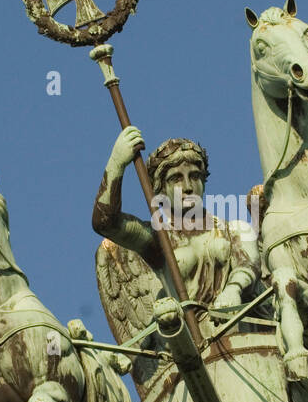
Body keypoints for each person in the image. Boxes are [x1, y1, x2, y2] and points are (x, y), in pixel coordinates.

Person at [93, 126, 259, 316]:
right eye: (176, 179)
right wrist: (117, 163)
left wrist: (233, 289)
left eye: (195, 176)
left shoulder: (233, 230)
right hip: (187, 338)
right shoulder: (158, 239)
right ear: (160, 189)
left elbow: (249, 265)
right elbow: (104, 223)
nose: (188, 187)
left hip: (232, 327)